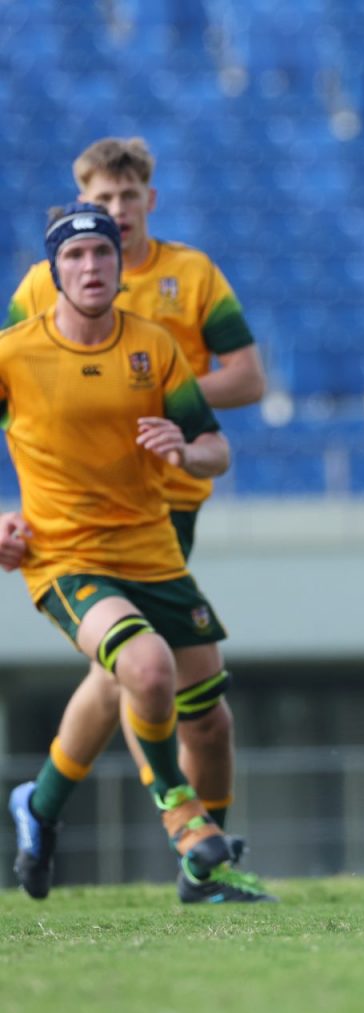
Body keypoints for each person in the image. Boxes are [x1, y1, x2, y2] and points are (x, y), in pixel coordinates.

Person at [4, 137, 267, 902]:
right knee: (138, 668)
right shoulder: (19, 337)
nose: (94, 260)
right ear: (56, 268)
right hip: (66, 548)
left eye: (106, 248)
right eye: (78, 252)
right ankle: (184, 822)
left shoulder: (164, 326)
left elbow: (234, 407)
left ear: (145, 210)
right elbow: (36, 406)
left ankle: (192, 868)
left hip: (159, 529)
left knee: (200, 712)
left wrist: (185, 443)